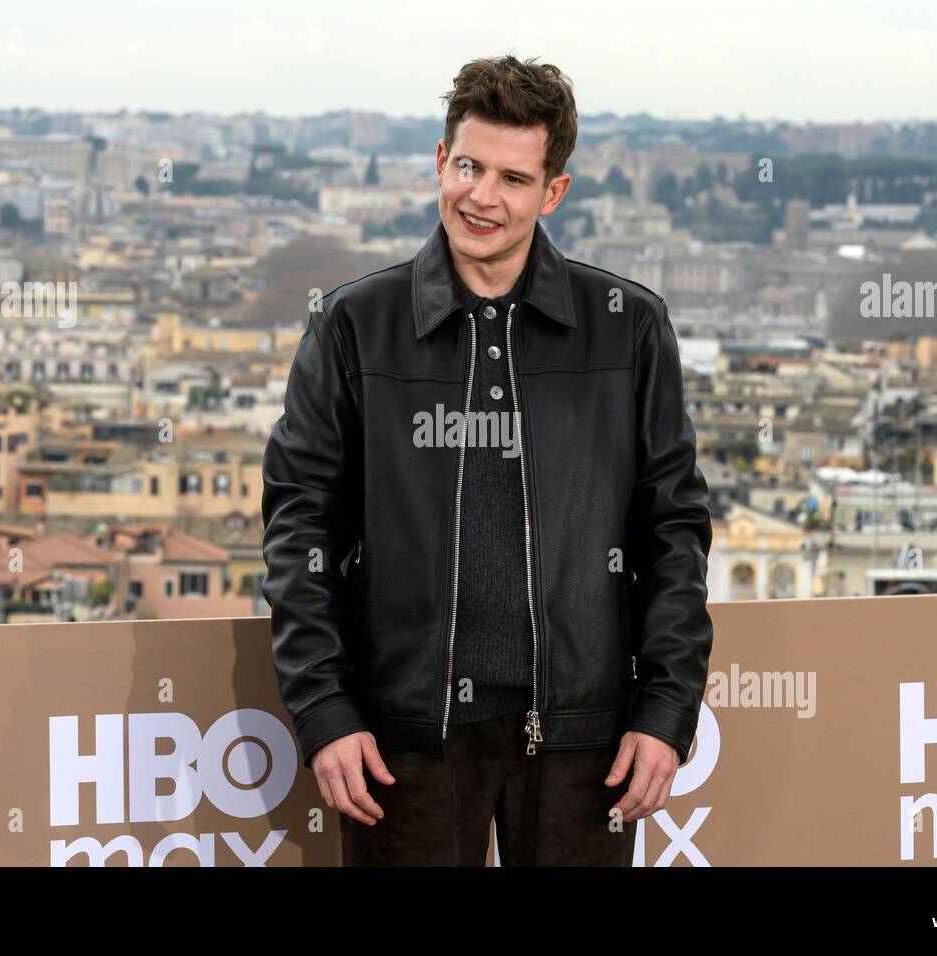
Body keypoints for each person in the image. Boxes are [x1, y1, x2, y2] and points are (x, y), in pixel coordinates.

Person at [261, 54, 713, 866]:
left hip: (587, 742)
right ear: (440, 162)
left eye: (513, 177)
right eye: (468, 166)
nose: (483, 197)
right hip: (403, 745)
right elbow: (300, 532)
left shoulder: (630, 329)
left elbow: (673, 530)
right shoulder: (352, 327)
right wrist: (325, 708)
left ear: (553, 192)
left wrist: (668, 710)